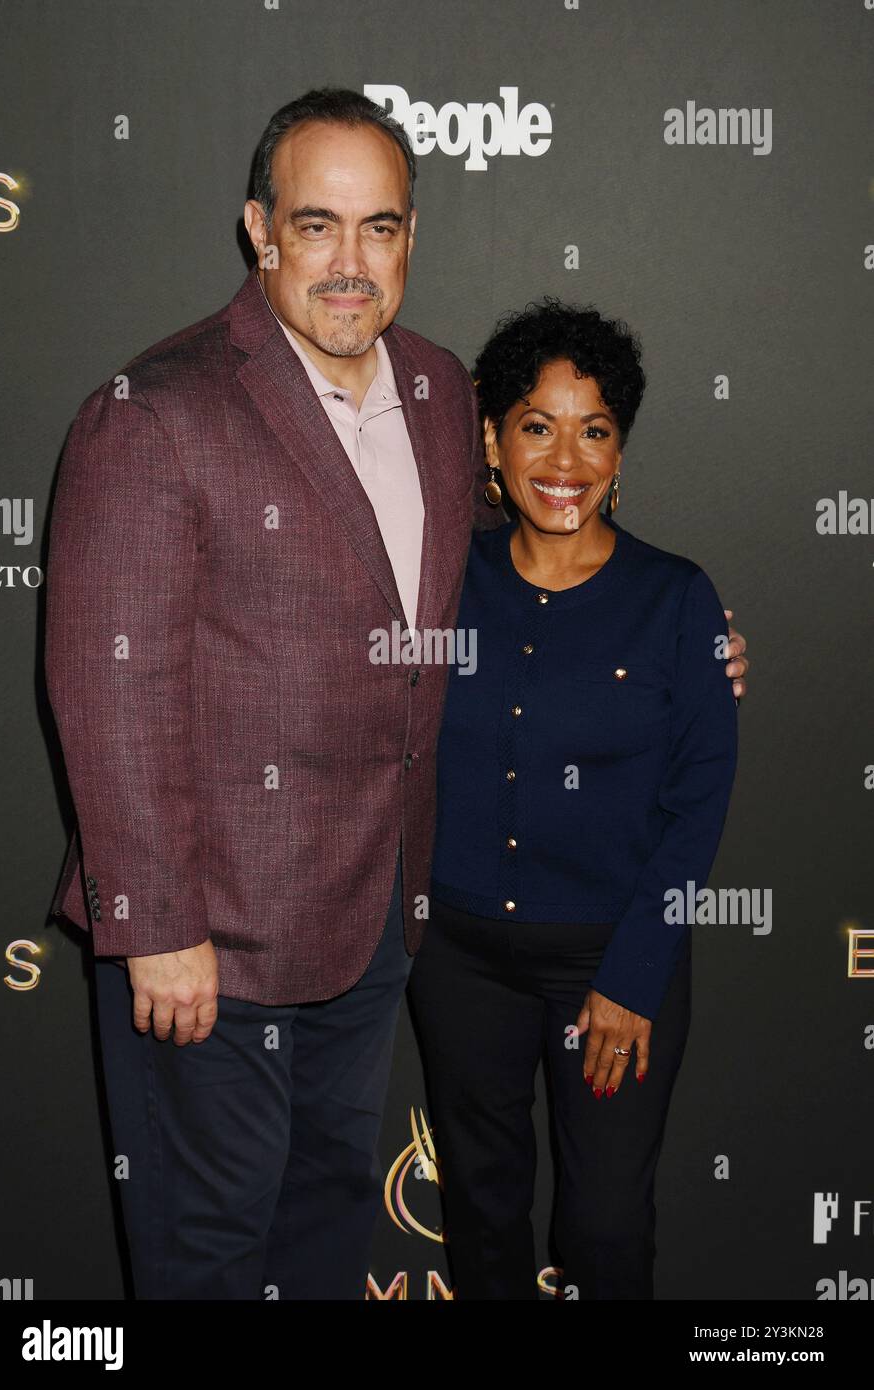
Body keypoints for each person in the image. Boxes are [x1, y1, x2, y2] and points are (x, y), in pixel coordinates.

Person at [44, 87, 749, 1302]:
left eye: (380, 228)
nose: (350, 263)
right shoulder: (156, 413)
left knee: (319, 1230)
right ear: (259, 231)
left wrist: (689, 637)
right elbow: (110, 685)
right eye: (317, 226)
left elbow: (517, 540)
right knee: (208, 1251)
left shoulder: (432, 393)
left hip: (373, 922)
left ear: (412, 237)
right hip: (210, 938)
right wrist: (155, 922)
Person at [407, 299, 740, 1300]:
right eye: (536, 425)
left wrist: (634, 976)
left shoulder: (673, 597)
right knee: (482, 1213)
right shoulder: (438, 580)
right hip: (459, 959)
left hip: (610, 960)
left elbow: (699, 796)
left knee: (601, 1230)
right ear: (492, 442)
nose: (565, 457)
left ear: (619, 449)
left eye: (592, 428)